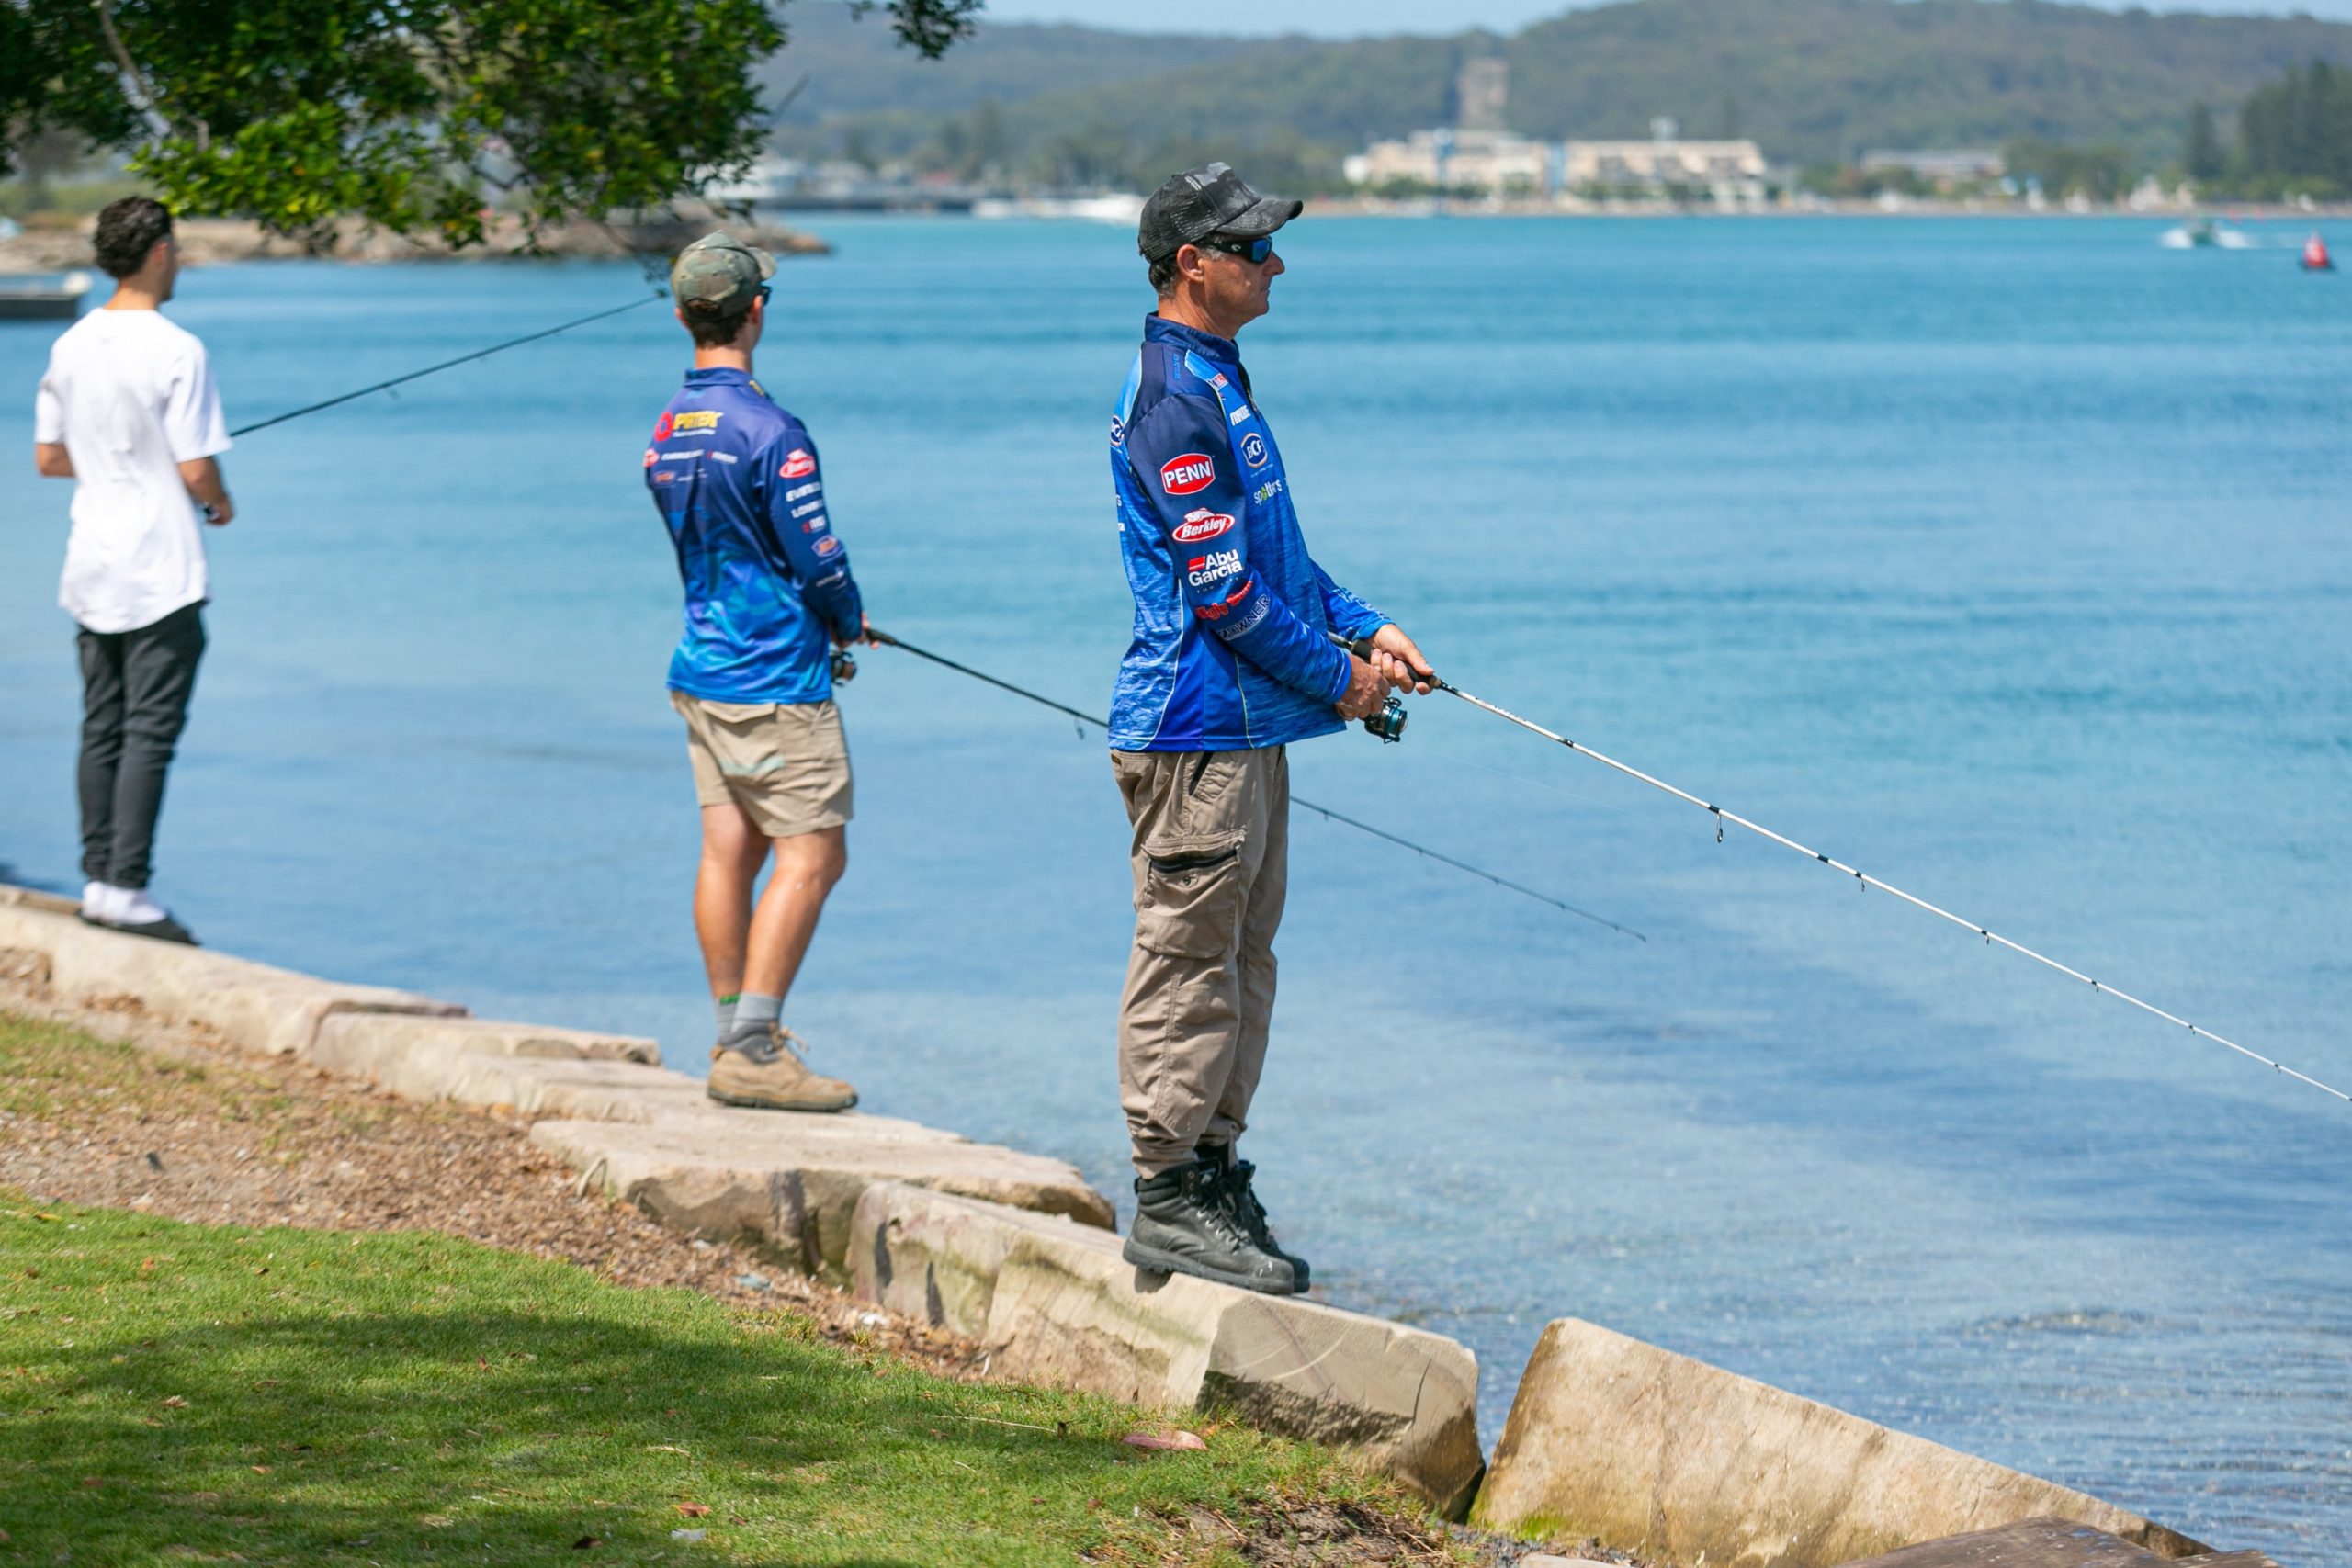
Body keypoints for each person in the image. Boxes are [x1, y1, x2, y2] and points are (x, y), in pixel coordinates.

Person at [1106, 164, 1434, 1294]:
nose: (1273, 264)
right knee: (1187, 963)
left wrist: (1367, 627)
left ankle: (1212, 1170)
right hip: (1193, 731)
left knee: (1245, 960)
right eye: (1250, 249)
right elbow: (1225, 594)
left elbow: (1277, 560)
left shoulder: (1219, 378)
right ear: (1191, 264)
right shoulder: (1173, 400)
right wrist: (1343, 682)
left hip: (1248, 732)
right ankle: (1164, 1193)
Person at [645, 231, 871, 1112]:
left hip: (702, 665)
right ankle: (752, 1045)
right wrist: (846, 618)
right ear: (757, 312)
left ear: (681, 316)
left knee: (729, 850)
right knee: (815, 854)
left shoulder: (670, 427)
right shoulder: (772, 430)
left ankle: (730, 1032)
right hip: (773, 674)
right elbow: (817, 555)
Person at [32, 197, 233, 946]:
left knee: (102, 725)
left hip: (91, 561)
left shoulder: (71, 344)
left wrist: (118, 458)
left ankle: (98, 880)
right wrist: (220, 503)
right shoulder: (178, 349)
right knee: (150, 730)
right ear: (158, 252)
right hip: (159, 569)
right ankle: (127, 887)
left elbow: (50, 458)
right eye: (175, 251)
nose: (178, 263)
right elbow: (196, 469)